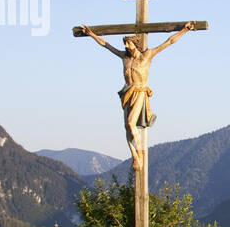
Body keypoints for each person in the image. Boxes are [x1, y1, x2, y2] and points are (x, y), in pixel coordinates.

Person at [79, 23, 193, 170]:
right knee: (127, 127)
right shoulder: (125, 58)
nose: (127, 47)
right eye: (125, 44)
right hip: (127, 93)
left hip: (140, 91)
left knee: (131, 123)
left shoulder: (147, 56)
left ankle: (138, 156)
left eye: (129, 44)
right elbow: (106, 45)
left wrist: (184, 30)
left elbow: (169, 42)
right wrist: (91, 34)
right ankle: (135, 155)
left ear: (136, 44)